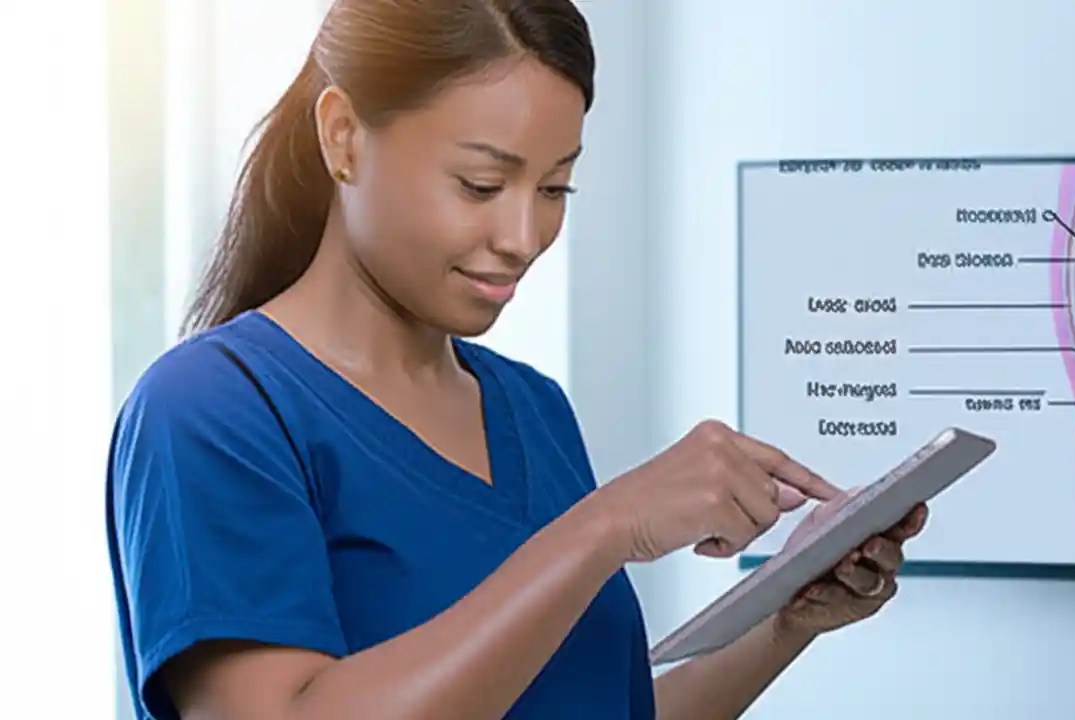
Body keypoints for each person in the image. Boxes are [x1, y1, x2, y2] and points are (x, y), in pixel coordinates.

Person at [105, 1, 928, 718]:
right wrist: (606, 526)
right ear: (343, 136)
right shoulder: (210, 410)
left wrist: (783, 617)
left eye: (554, 189)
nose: (523, 238)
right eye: (478, 184)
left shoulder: (532, 411)